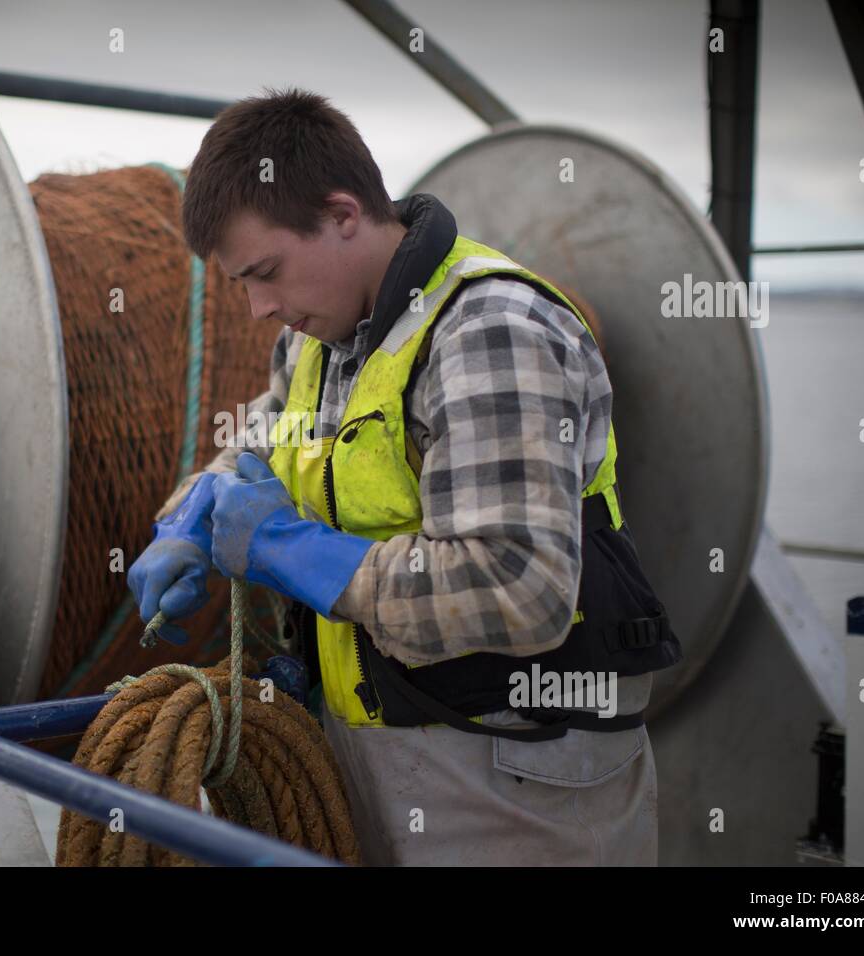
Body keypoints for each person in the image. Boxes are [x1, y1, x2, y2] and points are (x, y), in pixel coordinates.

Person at [128, 88, 682, 866]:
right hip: (381, 753)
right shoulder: (319, 341)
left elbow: (521, 590)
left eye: (267, 272)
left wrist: (297, 553)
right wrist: (190, 515)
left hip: (517, 778)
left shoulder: (490, 335)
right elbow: (266, 440)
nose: (257, 308)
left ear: (344, 212)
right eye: (242, 284)